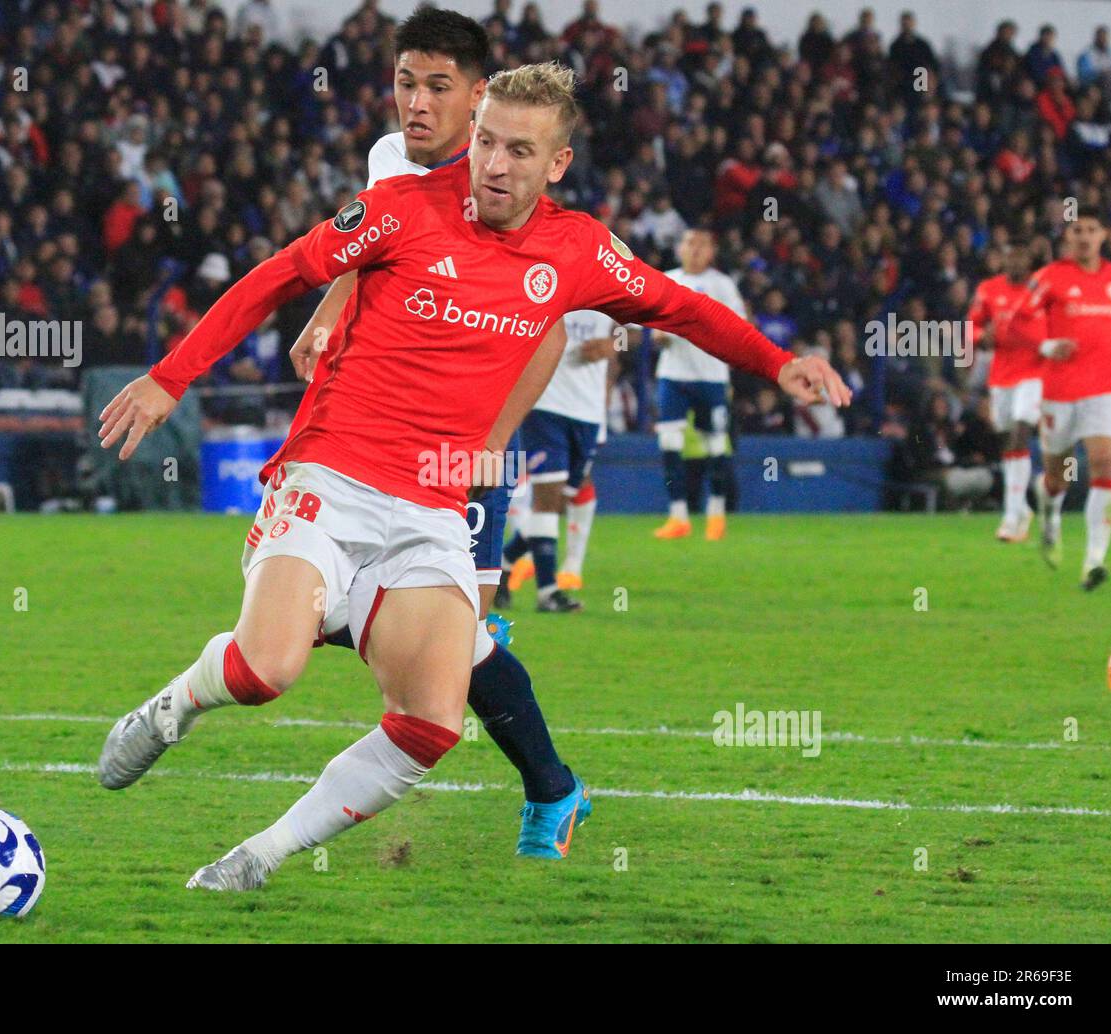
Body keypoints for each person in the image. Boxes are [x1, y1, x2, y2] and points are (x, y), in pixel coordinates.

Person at [96, 61, 849, 893]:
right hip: (333, 474)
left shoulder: (578, 249)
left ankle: (258, 856)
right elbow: (280, 274)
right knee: (267, 670)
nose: (494, 165)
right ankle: (171, 710)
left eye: (519, 151)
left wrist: (779, 365)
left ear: (556, 164)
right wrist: (171, 375)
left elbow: (681, 308)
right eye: (486, 140)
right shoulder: (399, 210)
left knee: (431, 724)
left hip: (433, 504)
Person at [273, 7, 587, 857]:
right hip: (374, 440)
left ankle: (552, 792)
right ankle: (554, 790)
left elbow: (553, 323)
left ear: (476, 99)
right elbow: (373, 250)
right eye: (407, 83)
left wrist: (495, 437)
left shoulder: (521, 187)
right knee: (342, 614)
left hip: (462, 448)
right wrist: (328, 312)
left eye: (435, 87)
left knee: (463, 633)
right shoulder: (391, 162)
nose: (416, 103)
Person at [1024, 207, 1111, 589]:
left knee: (1103, 464)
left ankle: (1093, 562)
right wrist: (1045, 343)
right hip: (1060, 390)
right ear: (1067, 238)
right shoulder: (1049, 278)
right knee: (1059, 476)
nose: (1084, 236)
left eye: (1092, 230)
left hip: (1107, 386)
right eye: (1077, 229)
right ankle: (1049, 516)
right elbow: (1015, 320)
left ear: (1104, 236)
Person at [500, 309, 615, 610]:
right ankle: (548, 592)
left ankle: (505, 561)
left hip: (588, 413)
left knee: (561, 502)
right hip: (545, 407)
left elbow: (636, 331)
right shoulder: (546, 276)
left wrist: (614, 344)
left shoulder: (609, 280)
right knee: (547, 500)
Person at [649, 228, 746, 541]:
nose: (695, 249)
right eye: (690, 243)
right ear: (680, 248)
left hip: (711, 376)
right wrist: (659, 334)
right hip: (673, 375)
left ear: (711, 252)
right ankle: (678, 516)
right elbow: (652, 327)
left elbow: (739, 329)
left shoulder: (722, 285)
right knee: (669, 444)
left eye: (702, 244)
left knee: (715, 444)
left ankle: (716, 515)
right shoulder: (666, 280)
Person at [967, 241, 1045, 541]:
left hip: (1035, 374)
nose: (1014, 262)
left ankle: (1011, 515)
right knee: (1007, 442)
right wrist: (980, 335)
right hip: (1002, 375)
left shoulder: (1041, 290)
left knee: (1020, 435)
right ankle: (1021, 508)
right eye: (1009, 256)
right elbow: (970, 326)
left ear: (1029, 259)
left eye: (1020, 256)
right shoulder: (989, 289)